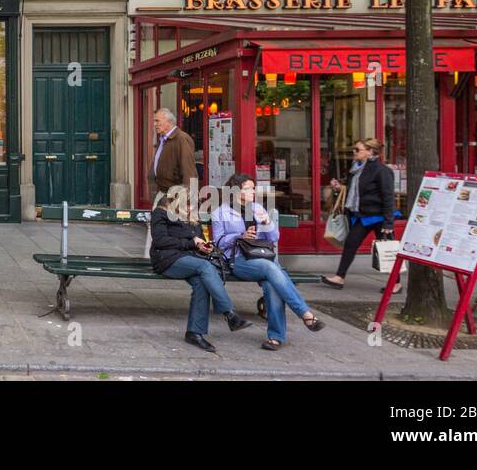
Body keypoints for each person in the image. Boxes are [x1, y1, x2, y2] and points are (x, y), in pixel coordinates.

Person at [213, 174, 325, 350]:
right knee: (271, 268)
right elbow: (218, 242)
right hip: (238, 259)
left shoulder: (258, 208)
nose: (253, 191)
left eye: (253, 187)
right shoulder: (220, 212)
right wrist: (239, 236)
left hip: (262, 255)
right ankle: (305, 313)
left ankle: (276, 337)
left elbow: (274, 238)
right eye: (249, 188)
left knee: (272, 283)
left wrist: (266, 222)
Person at [149, 187, 251, 352]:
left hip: (191, 260)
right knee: (205, 267)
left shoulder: (192, 217)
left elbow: (199, 241)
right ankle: (229, 313)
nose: (190, 208)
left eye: (193, 205)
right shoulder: (161, 214)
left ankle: (194, 333)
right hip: (166, 259)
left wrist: (204, 247)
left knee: (201, 282)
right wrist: (191, 243)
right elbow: (160, 241)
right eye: (187, 204)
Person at [323, 138, 397, 289]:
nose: (354, 152)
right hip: (363, 216)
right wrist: (340, 187)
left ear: (370, 152)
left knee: (387, 250)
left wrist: (388, 223)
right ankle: (339, 277)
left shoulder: (382, 171)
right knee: (350, 244)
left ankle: (396, 284)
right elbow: (355, 191)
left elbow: (388, 197)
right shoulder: (356, 169)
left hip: (379, 216)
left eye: (357, 150)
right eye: (354, 149)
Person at [150, 107, 197, 201]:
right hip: (164, 192)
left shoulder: (181, 139)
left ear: (169, 121)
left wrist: (186, 198)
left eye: (157, 121)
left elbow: (189, 171)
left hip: (176, 195)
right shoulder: (164, 139)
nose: (155, 124)